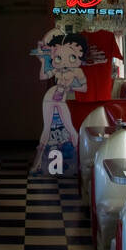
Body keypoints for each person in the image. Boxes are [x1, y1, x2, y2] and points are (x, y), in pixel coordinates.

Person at [31, 30, 88, 175]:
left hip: (62, 99)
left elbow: (84, 88)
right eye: (59, 57)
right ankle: (37, 164)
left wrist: (69, 86)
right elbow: (43, 76)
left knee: (70, 129)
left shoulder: (77, 72)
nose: (64, 61)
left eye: (73, 57)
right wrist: (43, 61)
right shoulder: (57, 70)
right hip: (50, 98)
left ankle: (79, 163)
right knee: (46, 129)